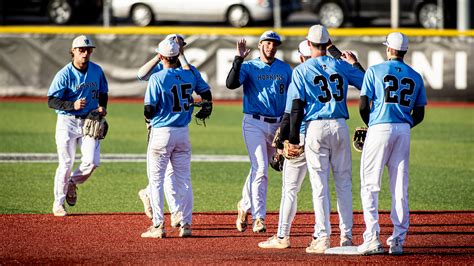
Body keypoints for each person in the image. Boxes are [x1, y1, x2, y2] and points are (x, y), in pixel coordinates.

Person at [286, 24, 365, 253]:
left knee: (319, 185)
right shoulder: (340, 64)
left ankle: (322, 237)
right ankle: (347, 237)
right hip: (340, 125)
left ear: (308, 44)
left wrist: (292, 138)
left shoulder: (301, 70)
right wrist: (353, 63)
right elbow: (366, 83)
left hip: (315, 128)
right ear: (328, 43)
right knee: (344, 183)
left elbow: (297, 107)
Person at [356, 32, 426, 255]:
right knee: (399, 187)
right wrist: (403, 125)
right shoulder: (415, 75)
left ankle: (372, 237)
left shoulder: (375, 70)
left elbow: (363, 105)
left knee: (370, 184)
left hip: (379, 128)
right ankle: (398, 241)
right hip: (403, 130)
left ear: (388, 49)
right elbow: (420, 113)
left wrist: (371, 126)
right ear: (405, 51)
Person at [141, 39, 212, 238]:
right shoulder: (189, 74)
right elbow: (205, 93)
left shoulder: (158, 78)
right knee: (184, 181)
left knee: (156, 181)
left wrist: (151, 118)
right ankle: (186, 224)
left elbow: (149, 109)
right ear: (178, 55)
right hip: (183, 132)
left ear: (161, 57)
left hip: (162, 132)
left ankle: (158, 226)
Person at [226, 31, 293, 233]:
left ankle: (244, 205)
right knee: (261, 169)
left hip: (277, 126)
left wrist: (287, 129)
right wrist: (238, 59)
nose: (271, 47)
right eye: (267, 43)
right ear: (260, 45)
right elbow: (231, 84)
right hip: (254, 122)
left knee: (259, 169)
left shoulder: (285, 69)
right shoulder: (249, 66)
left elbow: (293, 98)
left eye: (274, 44)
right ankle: (259, 218)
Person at [47, 35, 108, 216]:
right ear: (73, 51)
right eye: (81, 49)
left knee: (92, 161)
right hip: (67, 122)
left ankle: (72, 182)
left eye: (88, 50)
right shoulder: (64, 74)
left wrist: (103, 107)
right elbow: (52, 100)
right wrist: (71, 105)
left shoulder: (97, 71)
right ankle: (58, 204)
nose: (85, 53)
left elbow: (103, 92)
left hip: (90, 121)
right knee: (65, 163)